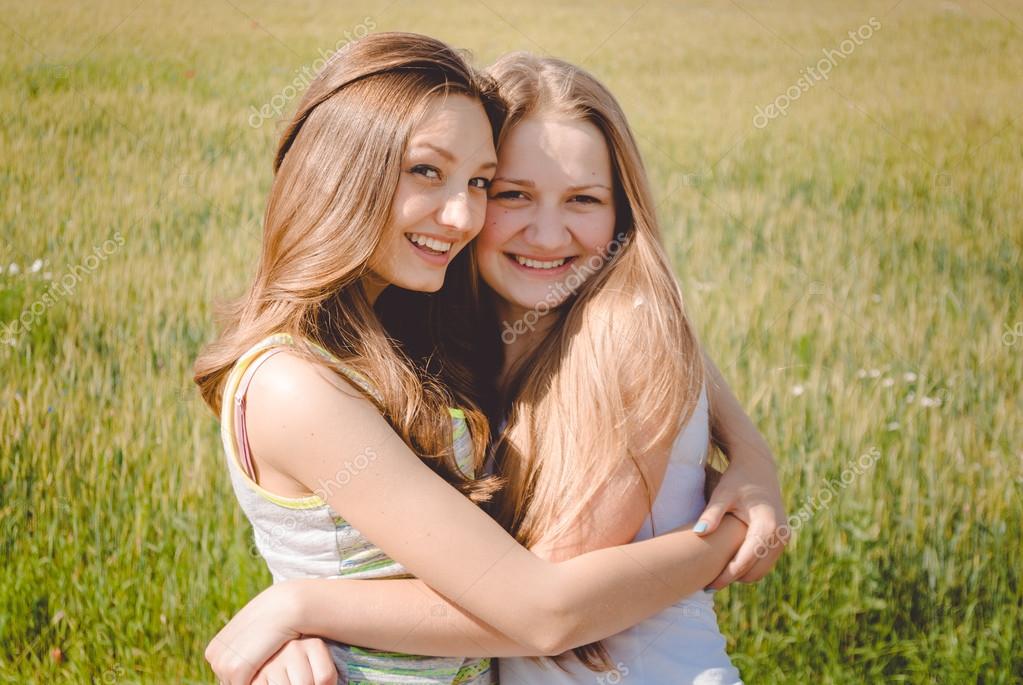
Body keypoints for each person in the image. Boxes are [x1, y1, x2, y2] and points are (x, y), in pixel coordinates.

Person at [204, 47, 785, 685]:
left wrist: (752, 462)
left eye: (479, 183)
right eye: (506, 190)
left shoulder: (586, 327)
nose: (462, 215)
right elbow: (539, 607)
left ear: (623, 212)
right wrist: (730, 528)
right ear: (339, 171)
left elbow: (660, 344)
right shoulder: (323, 375)